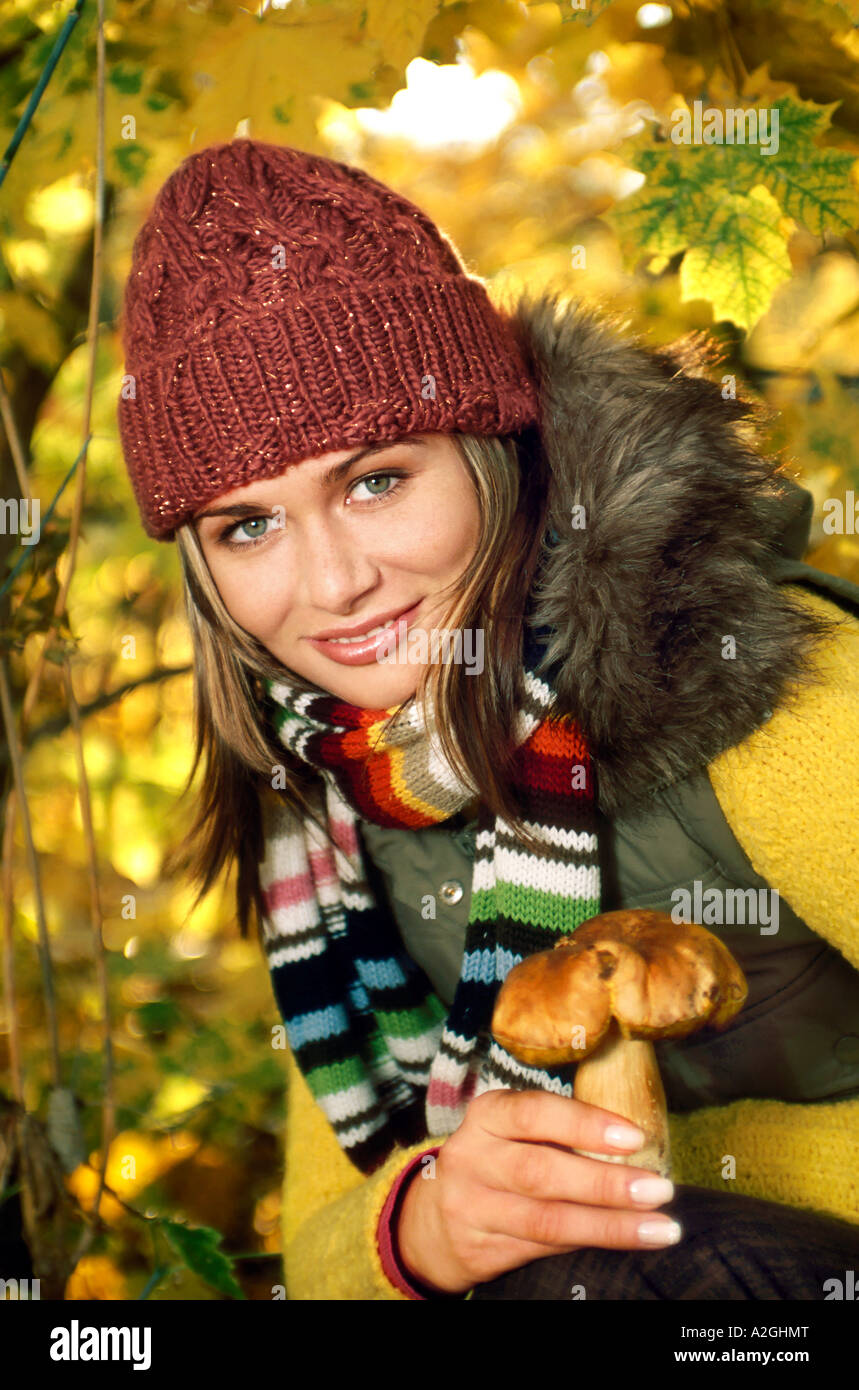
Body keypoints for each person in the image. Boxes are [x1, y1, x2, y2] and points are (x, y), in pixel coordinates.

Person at [116, 138, 859, 1301]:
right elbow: (319, 1245)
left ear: (490, 454)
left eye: (375, 480)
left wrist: (639, 1172)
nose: (332, 583)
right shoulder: (328, 802)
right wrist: (421, 1221)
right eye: (246, 526)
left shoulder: (768, 692)